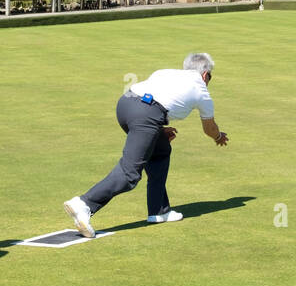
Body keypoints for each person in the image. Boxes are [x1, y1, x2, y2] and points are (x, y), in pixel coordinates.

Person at [65, 52, 228, 237]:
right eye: (210, 77)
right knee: (130, 174)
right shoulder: (202, 91)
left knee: (160, 150)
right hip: (146, 116)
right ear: (205, 75)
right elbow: (209, 129)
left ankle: (159, 211)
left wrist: (156, 129)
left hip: (125, 105)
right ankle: (84, 204)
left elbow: (153, 100)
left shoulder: (165, 72)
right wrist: (218, 137)